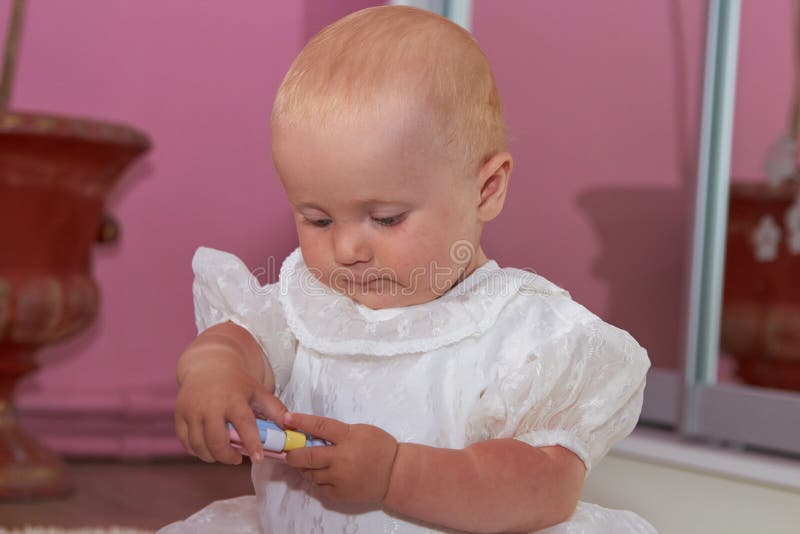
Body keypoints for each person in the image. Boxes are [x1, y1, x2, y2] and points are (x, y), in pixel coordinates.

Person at [160, 5, 656, 533]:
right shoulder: (311, 304)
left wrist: (398, 473)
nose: (348, 247)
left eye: (387, 218)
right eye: (318, 218)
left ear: (486, 189)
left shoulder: (521, 338)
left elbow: (546, 490)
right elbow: (236, 339)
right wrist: (214, 373)